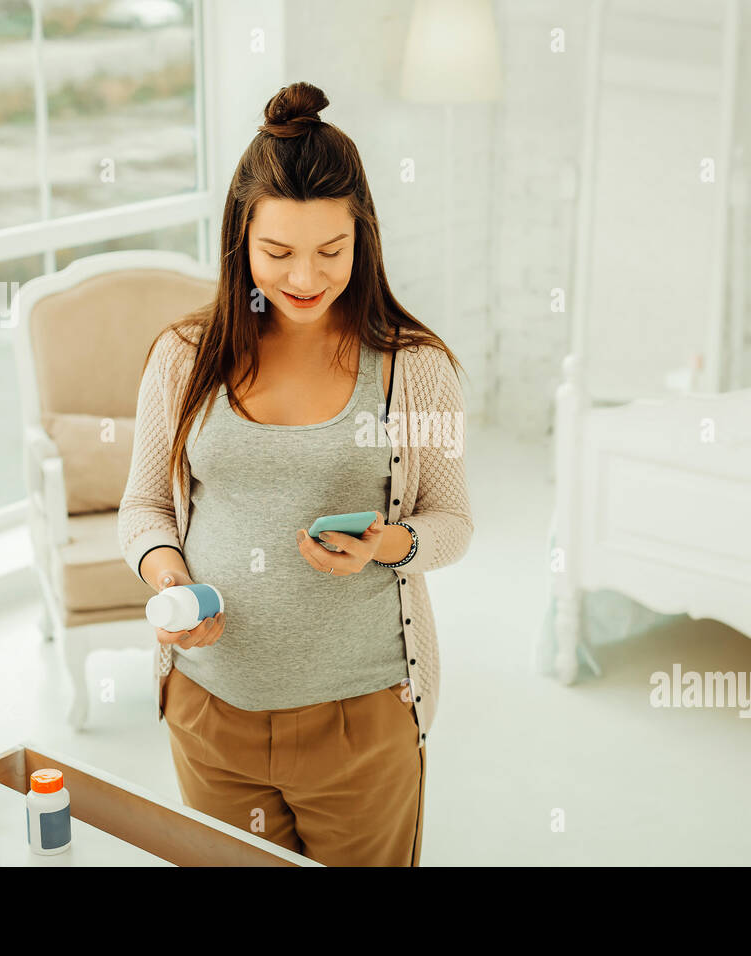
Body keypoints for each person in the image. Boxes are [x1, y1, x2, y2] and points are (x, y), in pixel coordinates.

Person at [117, 81, 474, 866]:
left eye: (330, 251)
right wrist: (166, 576)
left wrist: (389, 545)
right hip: (210, 706)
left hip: (365, 714)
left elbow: (452, 522)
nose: (305, 277)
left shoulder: (416, 369)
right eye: (277, 253)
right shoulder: (184, 358)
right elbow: (145, 506)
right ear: (239, 240)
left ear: (363, 239)